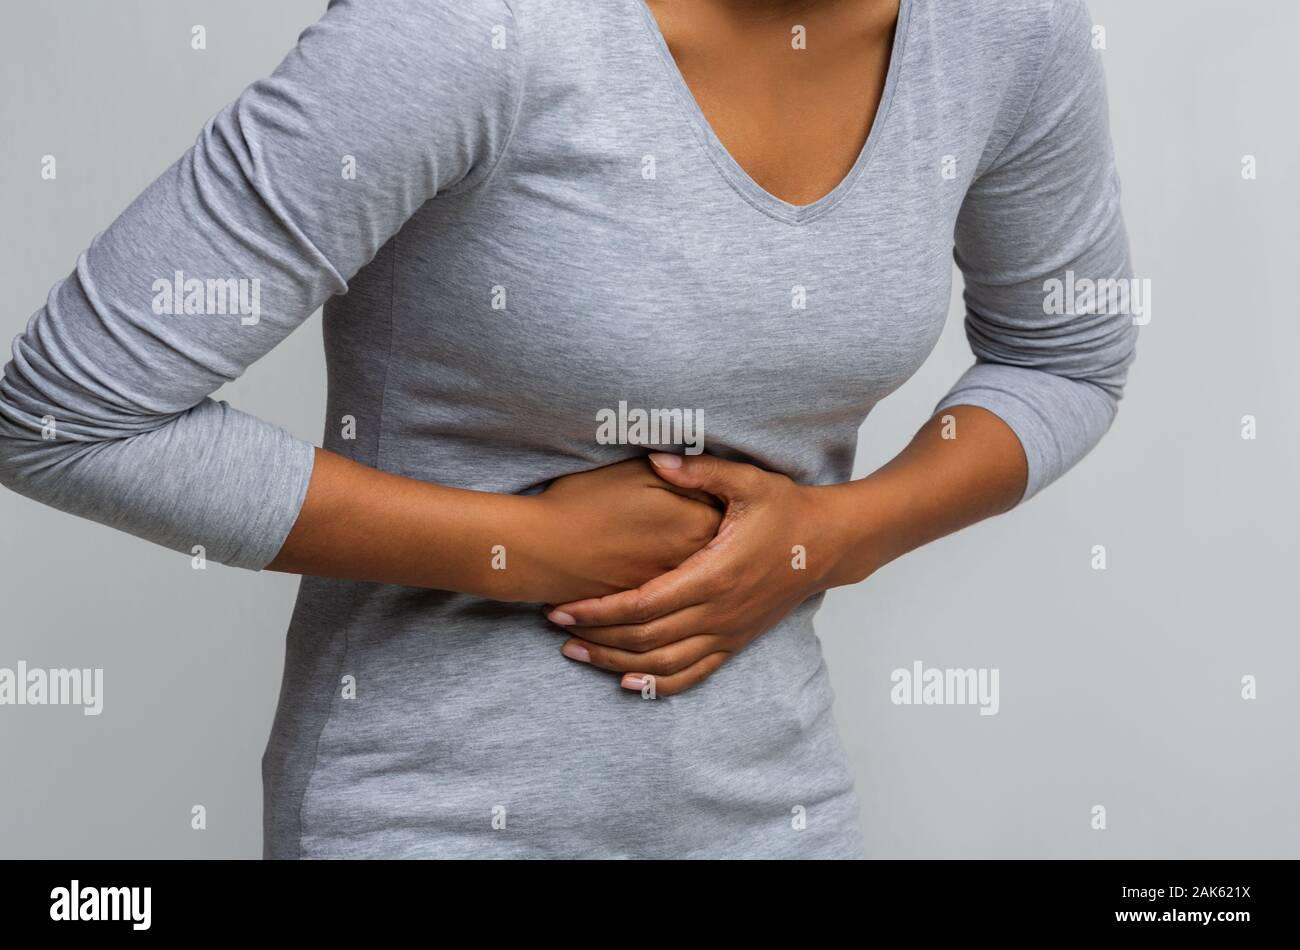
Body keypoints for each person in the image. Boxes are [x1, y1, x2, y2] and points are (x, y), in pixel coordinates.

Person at [0, 0, 1138, 858]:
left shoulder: (1007, 31)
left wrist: (834, 535)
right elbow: (66, 413)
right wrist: (525, 549)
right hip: (428, 813)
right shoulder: (462, 26)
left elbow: (1066, 355)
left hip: (775, 806)